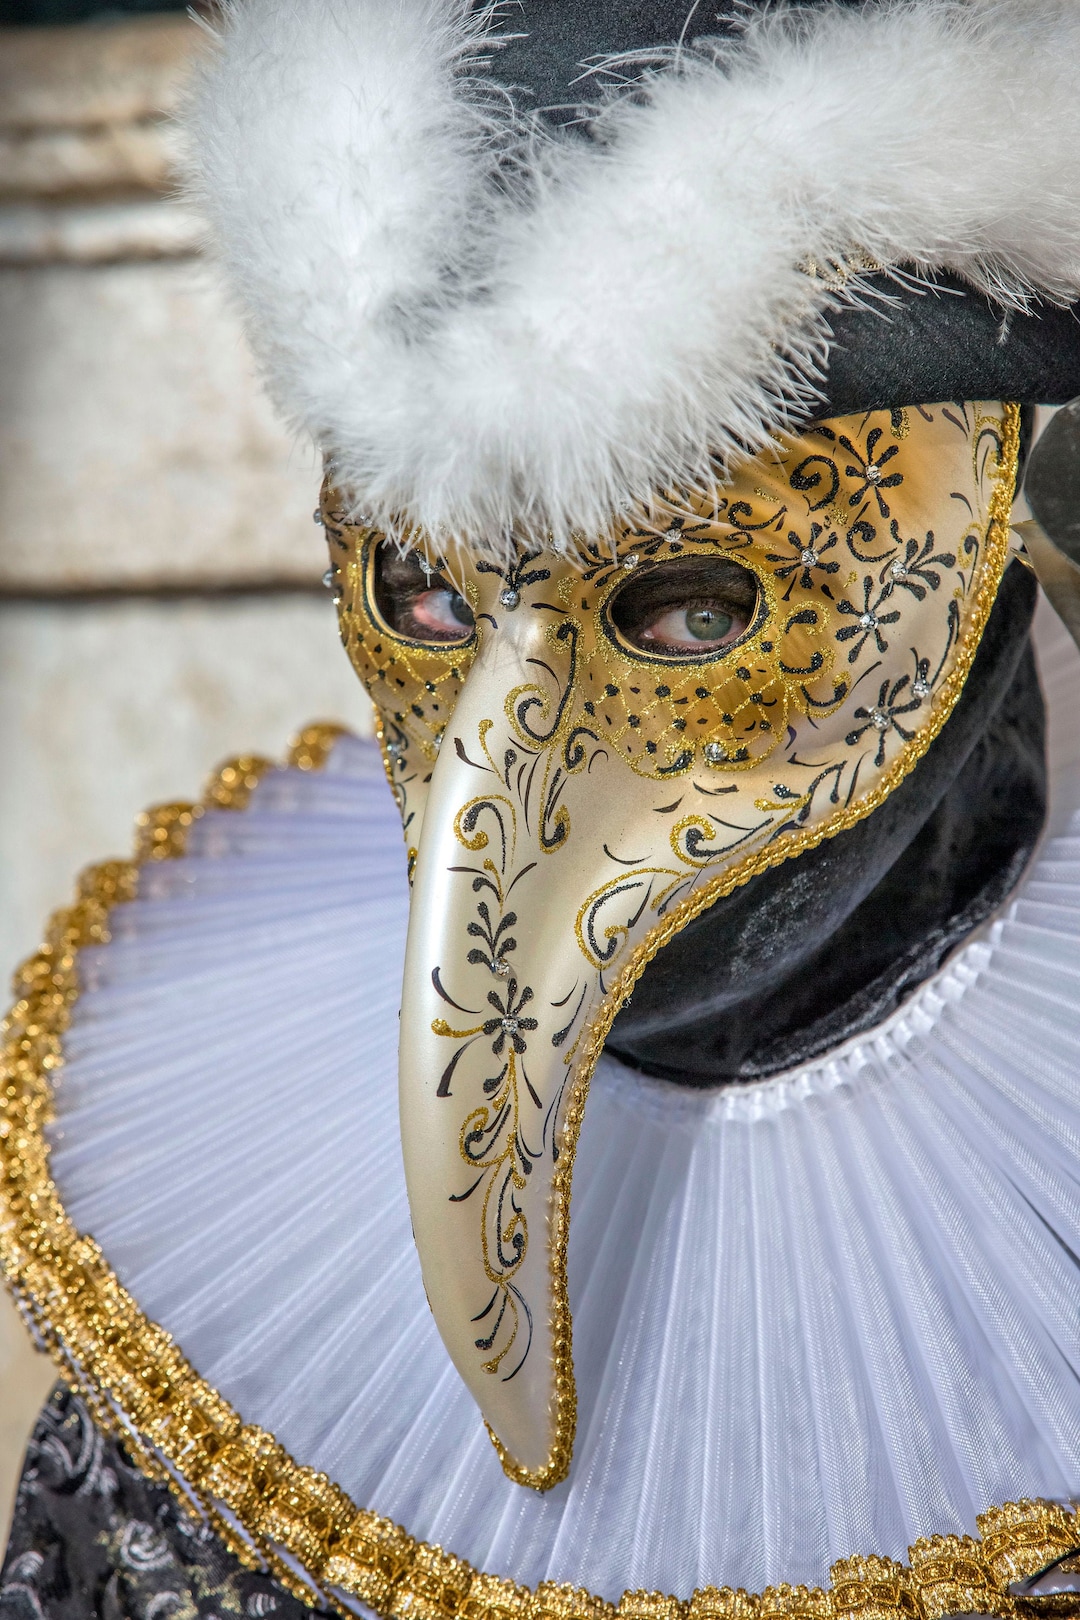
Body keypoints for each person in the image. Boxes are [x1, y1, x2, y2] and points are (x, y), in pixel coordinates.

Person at [5, 2, 1080, 1615]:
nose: (492, 778)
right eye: (425, 594)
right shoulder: (225, 1287)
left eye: (688, 607)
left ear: (987, 516)